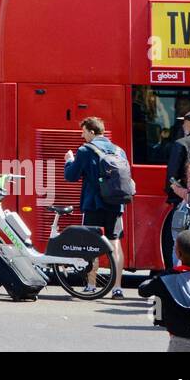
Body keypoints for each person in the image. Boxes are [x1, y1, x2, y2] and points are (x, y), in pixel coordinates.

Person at [64, 117, 128, 297]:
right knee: (115, 244)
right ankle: (117, 288)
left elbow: (71, 176)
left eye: (84, 132)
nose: (82, 136)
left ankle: (91, 285)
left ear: (92, 132)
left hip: (93, 205)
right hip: (115, 204)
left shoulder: (85, 150)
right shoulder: (119, 150)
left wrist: (69, 160)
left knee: (91, 245)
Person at [163, 109, 190, 272]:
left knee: (177, 241)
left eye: (184, 122)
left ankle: (177, 275)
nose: (182, 125)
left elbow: (171, 177)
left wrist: (174, 193)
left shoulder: (181, 143)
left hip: (184, 204)